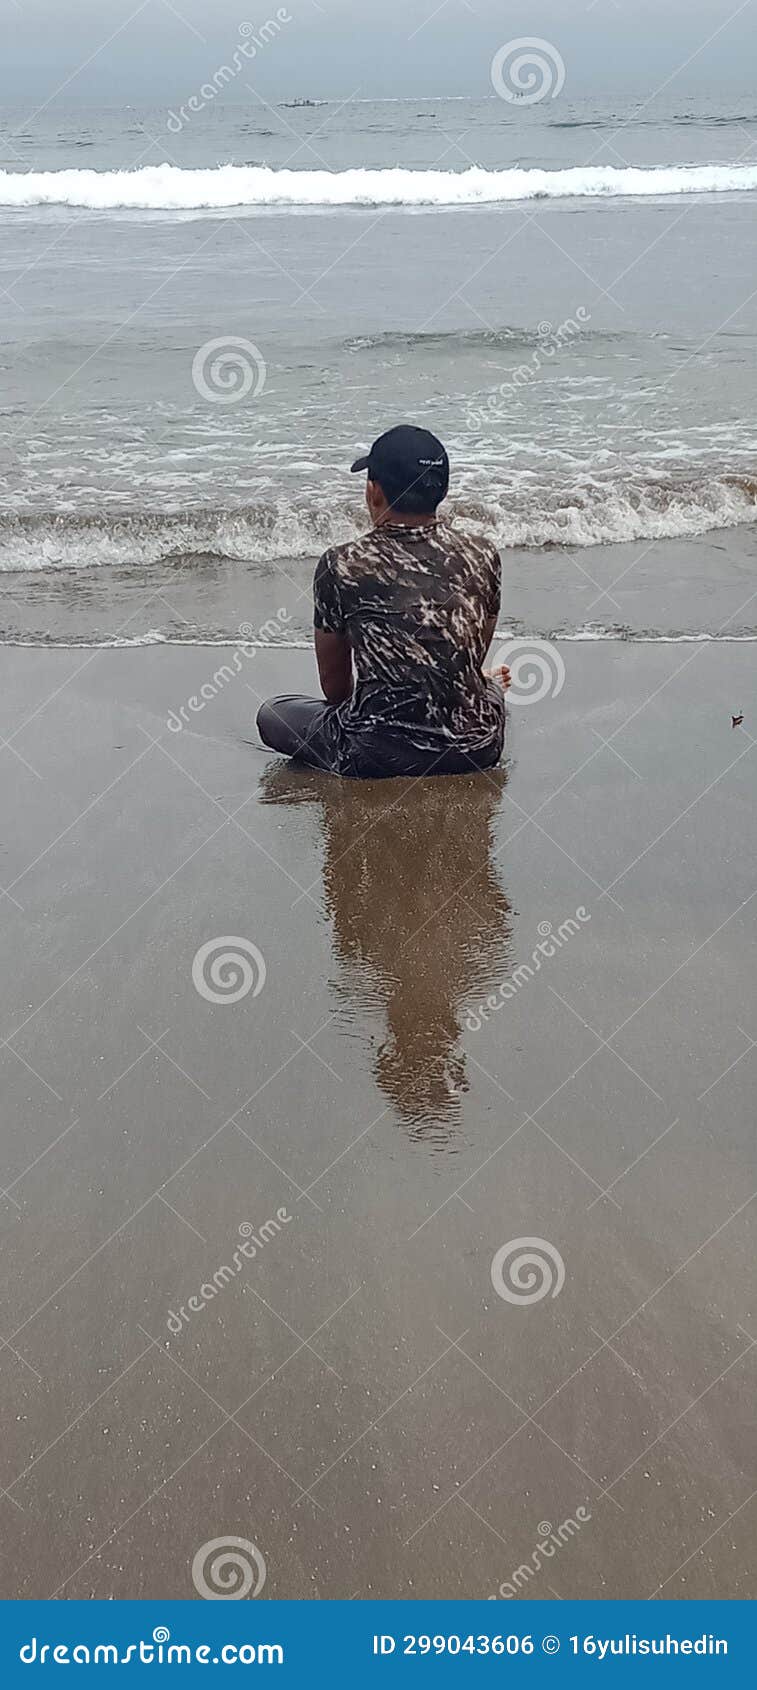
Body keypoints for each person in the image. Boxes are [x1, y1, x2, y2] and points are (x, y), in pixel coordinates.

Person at [256, 424, 510, 779]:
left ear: (374, 491)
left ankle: (476, 686)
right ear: (441, 489)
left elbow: (335, 689)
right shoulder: (482, 554)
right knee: (482, 689)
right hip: (477, 749)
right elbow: (472, 649)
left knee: (273, 713)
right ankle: (486, 684)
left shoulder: (342, 564)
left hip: (373, 755)